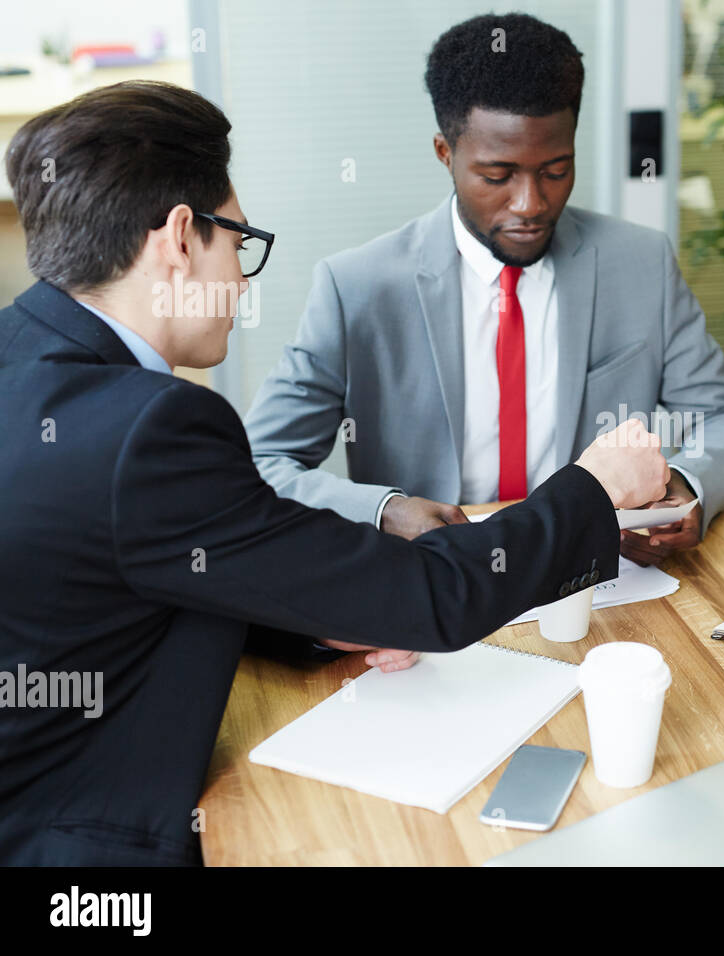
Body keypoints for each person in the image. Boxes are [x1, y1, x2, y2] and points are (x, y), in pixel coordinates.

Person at [0, 80, 669, 865]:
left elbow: (121, 577)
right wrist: (595, 486)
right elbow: (434, 597)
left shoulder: (25, 354)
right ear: (180, 238)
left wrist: (320, 613)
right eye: (238, 243)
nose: (244, 282)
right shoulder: (150, 429)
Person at [241, 12, 724, 567]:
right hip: (435, 580)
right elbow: (259, 463)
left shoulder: (639, 262)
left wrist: (689, 484)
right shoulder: (356, 288)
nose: (530, 204)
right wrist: (385, 511)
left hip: (596, 578)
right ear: (446, 154)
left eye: (555, 170)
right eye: (498, 176)